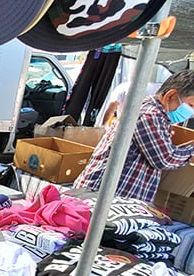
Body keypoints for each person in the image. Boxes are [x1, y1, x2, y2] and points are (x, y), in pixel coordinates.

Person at [74, 71, 194, 203]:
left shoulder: (154, 114)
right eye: (191, 105)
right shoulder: (150, 115)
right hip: (102, 196)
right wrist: (191, 151)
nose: (190, 112)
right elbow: (164, 158)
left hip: (114, 195)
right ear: (171, 95)